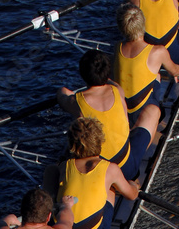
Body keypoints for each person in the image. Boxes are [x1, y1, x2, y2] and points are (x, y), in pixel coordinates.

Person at [45, 117, 140, 229]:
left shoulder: (64, 166)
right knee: (110, 189)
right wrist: (134, 185)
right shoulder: (110, 169)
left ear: (72, 144)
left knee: (51, 171)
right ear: (100, 141)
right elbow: (132, 195)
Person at [56, 50, 155, 180]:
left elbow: (62, 96)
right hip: (127, 168)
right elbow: (113, 83)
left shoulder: (76, 102)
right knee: (153, 110)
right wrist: (107, 79)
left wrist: (61, 90)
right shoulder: (118, 90)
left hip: (101, 175)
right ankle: (146, 156)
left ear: (83, 75)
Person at [112, 4, 179, 121]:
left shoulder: (117, 47)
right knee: (160, 73)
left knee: (155, 74)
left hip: (123, 110)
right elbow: (175, 71)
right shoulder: (157, 51)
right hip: (144, 112)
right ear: (143, 23)